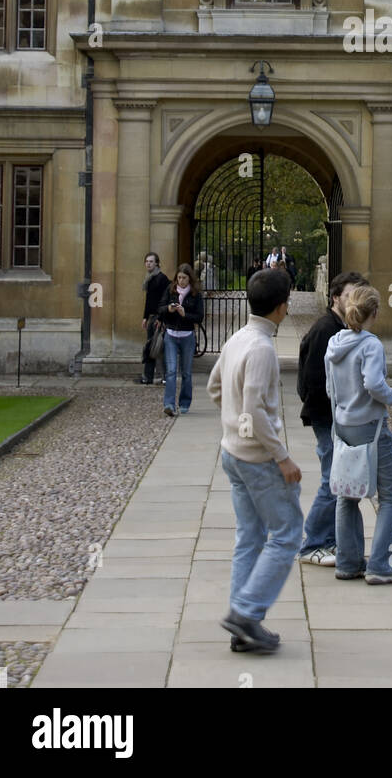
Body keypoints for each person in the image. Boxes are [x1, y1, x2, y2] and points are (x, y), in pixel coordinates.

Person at [207, 266, 302, 654]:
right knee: (287, 534)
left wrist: (232, 422)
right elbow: (255, 411)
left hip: (233, 452)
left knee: (249, 538)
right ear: (282, 307)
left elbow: (216, 387)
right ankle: (246, 612)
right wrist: (281, 457)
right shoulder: (262, 348)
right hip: (257, 458)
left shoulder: (237, 339)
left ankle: (241, 624)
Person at [324, 284, 392, 585]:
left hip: (343, 423)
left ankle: (348, 562)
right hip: (371, 426)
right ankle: (380, 565)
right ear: (374, 312)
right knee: (391, 496)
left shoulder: (335, 341)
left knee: (346, 493)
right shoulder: (370, 344)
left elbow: (329, 387)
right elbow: (374, 383)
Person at [296, 269, 364, 566]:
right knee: (332, 480)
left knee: (336, 479)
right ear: (335, 297)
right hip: (328, 417)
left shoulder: (341, 326)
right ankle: (313, 543)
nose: (355, 301)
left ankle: (330, 539)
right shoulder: (327, 328)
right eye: (350, 295)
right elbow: (312, 380)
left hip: (335, 417)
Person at [158, 263, 204, 417]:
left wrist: (185, 315)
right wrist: (168, 309)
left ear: (189, 278)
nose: (181, 281)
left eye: (184, 278)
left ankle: (184, 402)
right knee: (171, 371)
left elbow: (199, 317)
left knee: (186, 372)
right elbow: (160, 309)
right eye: (179, 277)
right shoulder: (170, 290)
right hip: (171, 334)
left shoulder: (195, 294)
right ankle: (169, 404)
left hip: (187, 336)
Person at [140, 252, 170, 385]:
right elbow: (148, 300)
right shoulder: (149, 279)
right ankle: (148, 376)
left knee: (159, 348)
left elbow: (165, 300)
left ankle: (163, 377)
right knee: (150, 347)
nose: (148, 263)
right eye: (147, 261)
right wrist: (145, 317)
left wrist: (162, 319)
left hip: (159, 317)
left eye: (151, 261)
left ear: (157, 263)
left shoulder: (162, 279)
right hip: (152, 317)